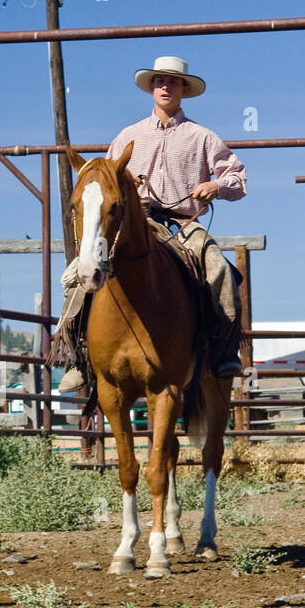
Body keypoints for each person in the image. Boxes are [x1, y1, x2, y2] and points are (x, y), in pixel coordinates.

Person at [57, 55, 247, 392]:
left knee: (219, 269)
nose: (165, 86)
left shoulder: (202, 137)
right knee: (78, 274)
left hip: (181, 224)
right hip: (132, 223)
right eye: (159, 81)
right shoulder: (128, 135)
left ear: (184, 89)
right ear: (151, 88)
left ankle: (222, 353)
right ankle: (78, 357)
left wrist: (216, 186)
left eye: (172, 81)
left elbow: (238, 178)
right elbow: (105, 182)